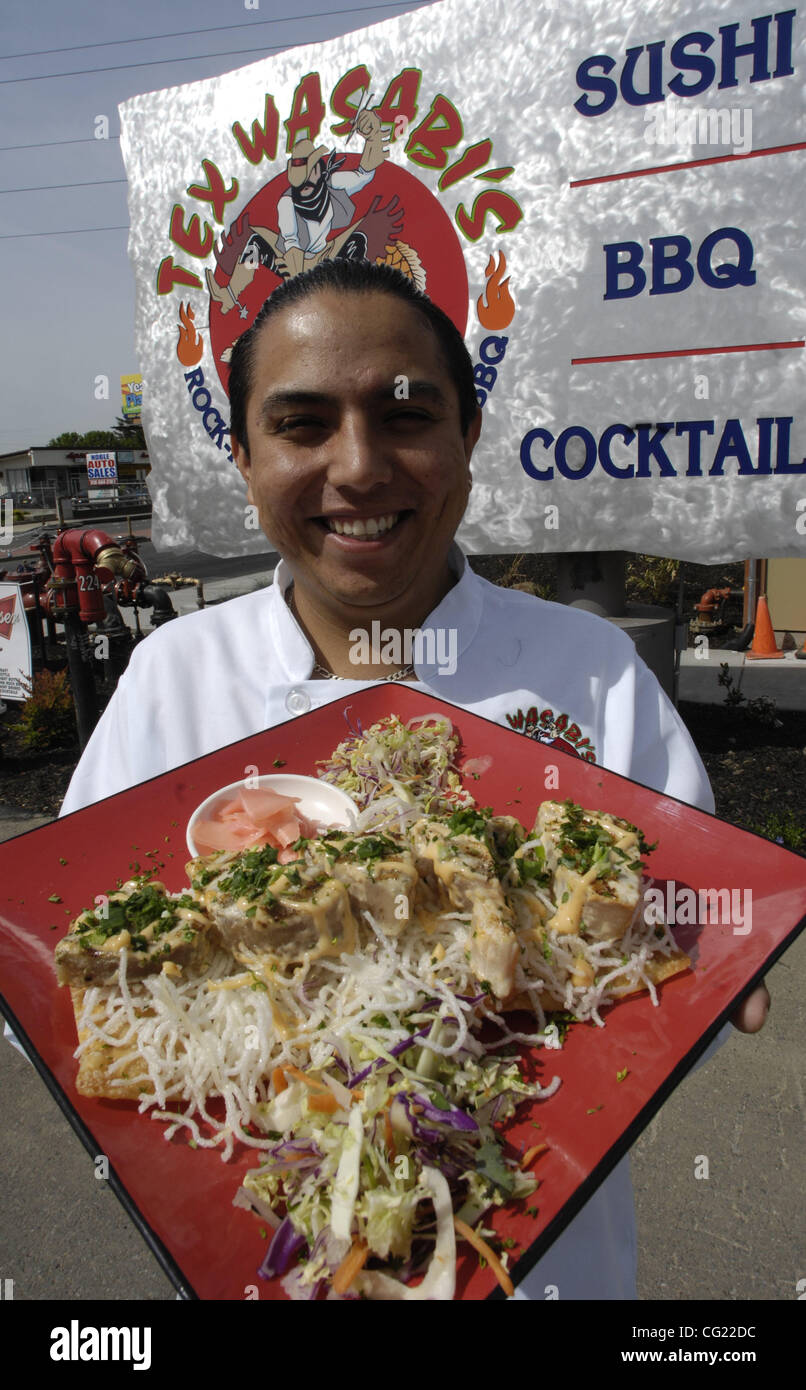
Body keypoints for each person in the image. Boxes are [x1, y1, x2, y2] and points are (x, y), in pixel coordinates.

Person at [59, 258, 769, 1299]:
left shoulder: (590, 670)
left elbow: (682, 968)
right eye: (300, 426)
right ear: (244, 456)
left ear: (466, 437)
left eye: (404, 416)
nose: (355, 467)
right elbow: (64, 972)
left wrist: (706, 972)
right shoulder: (176, 674)